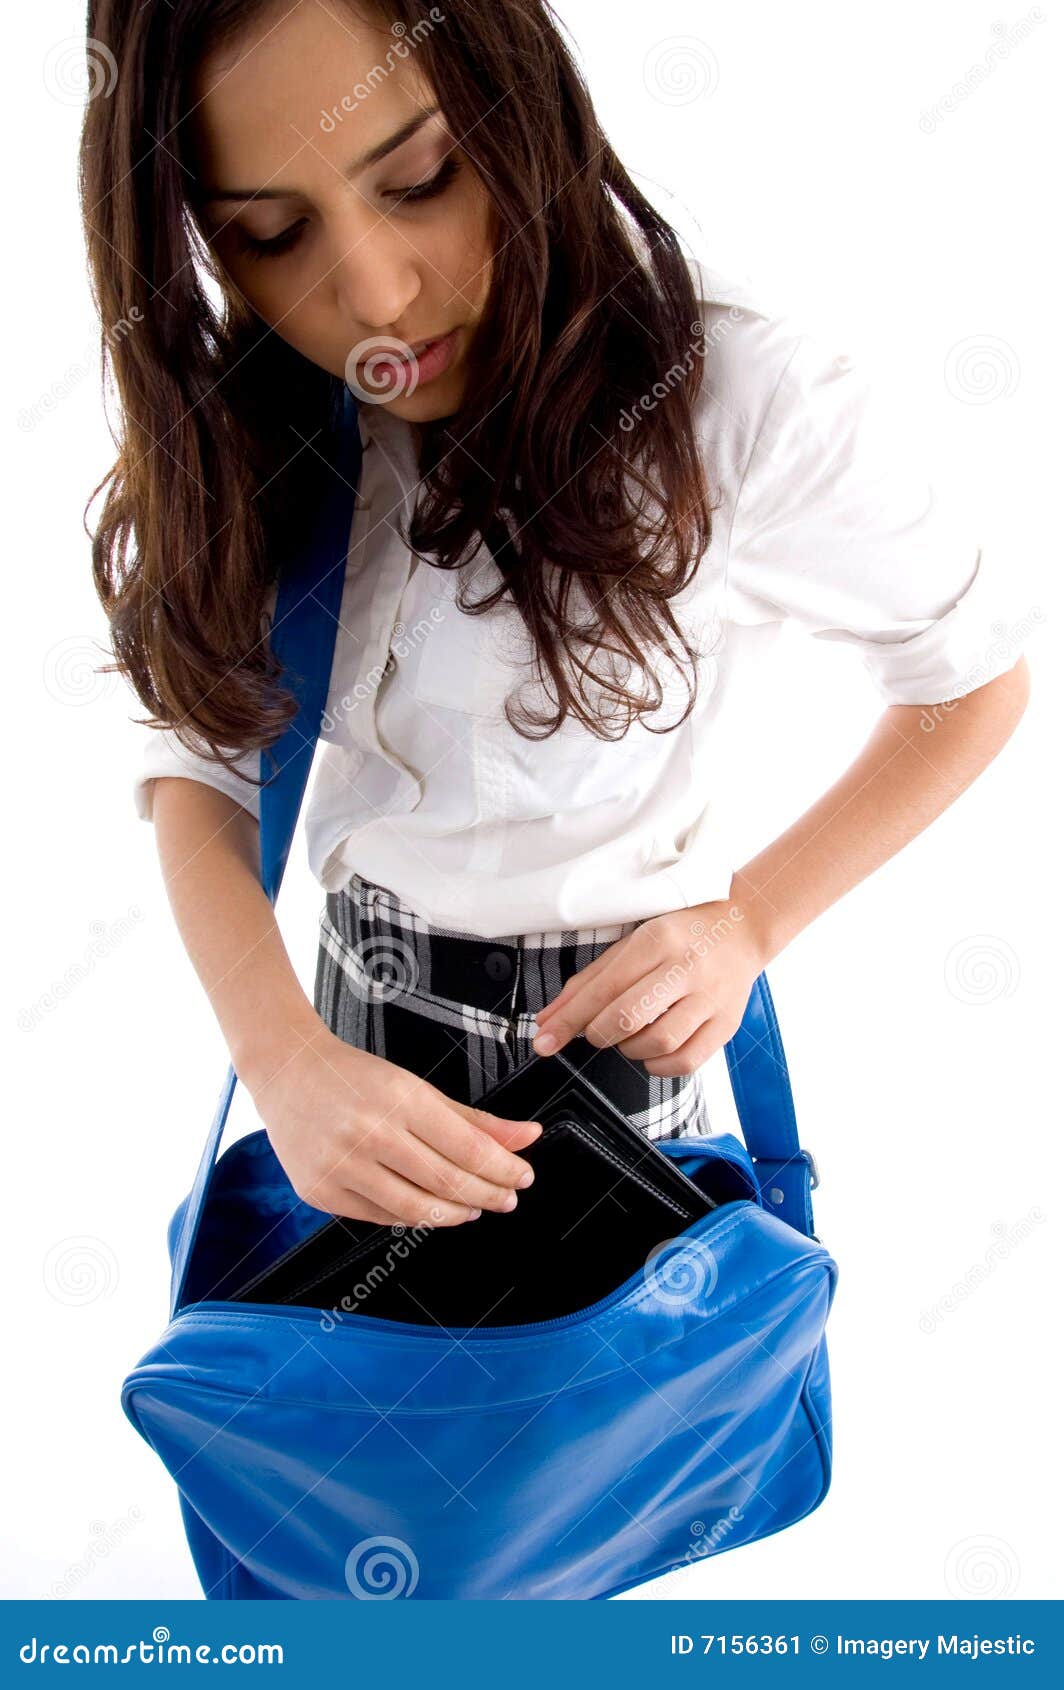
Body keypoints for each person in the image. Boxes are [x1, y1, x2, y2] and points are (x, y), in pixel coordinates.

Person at [82, 0, 1030, 1238]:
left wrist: (750, 920)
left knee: (624, 1419)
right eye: (269, 232)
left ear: (519, 101)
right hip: (352, 1079)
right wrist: (280, 1060)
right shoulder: (251, 429)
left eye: (421, 177)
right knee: (352, 1417)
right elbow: (198, 759)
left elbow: (971, 673)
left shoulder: (730, 396)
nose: (375, 292)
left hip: (617, 1089)